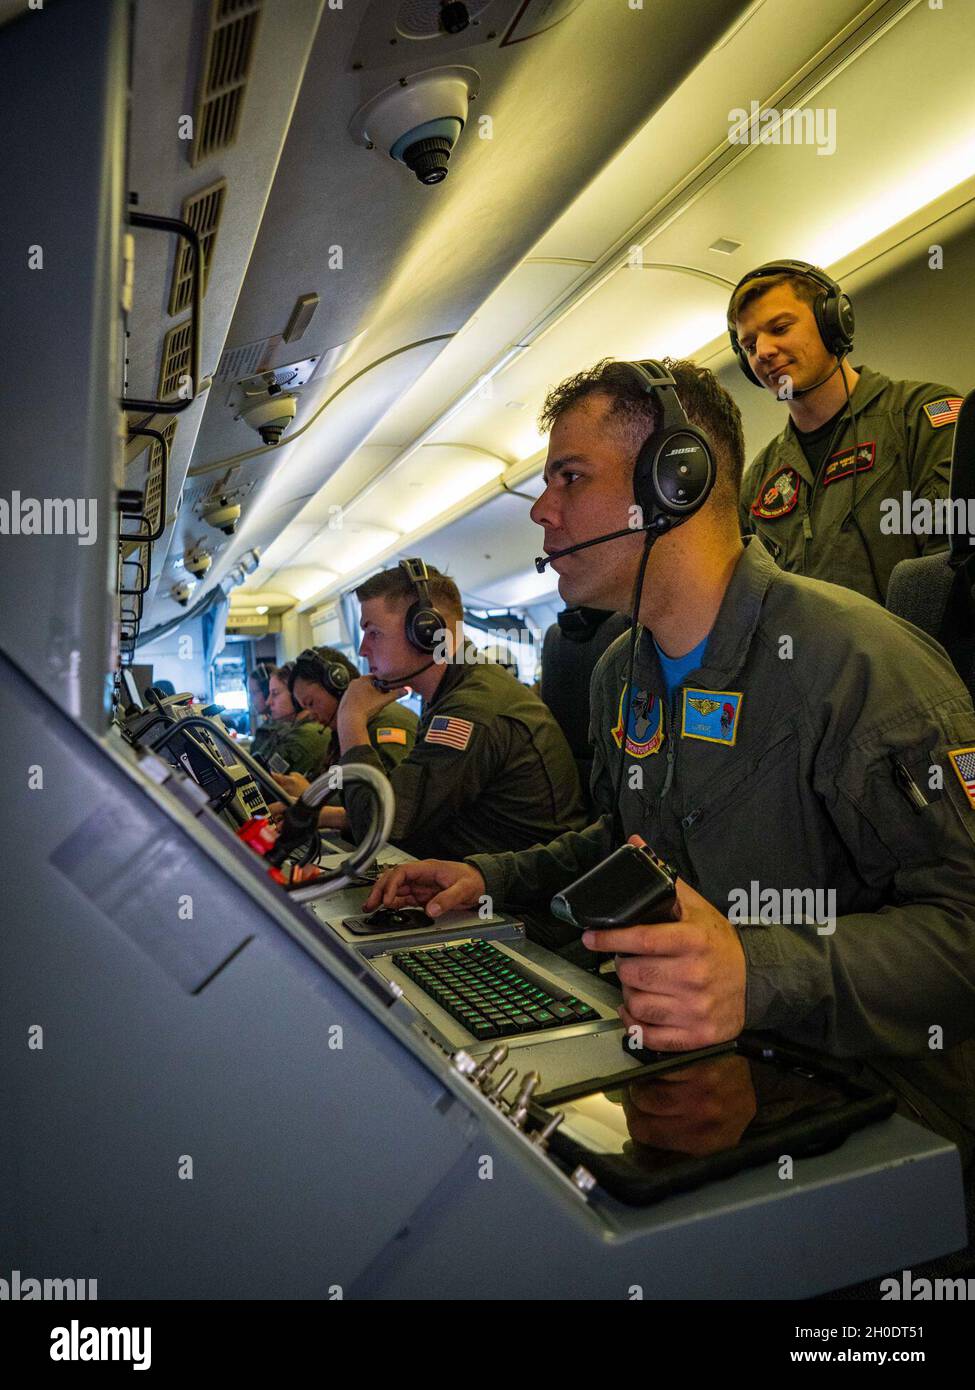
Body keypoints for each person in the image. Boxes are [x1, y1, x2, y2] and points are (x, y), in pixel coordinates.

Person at [366, 355, 975, 1168]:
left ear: (674, 481)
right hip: (705, 1076)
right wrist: (490, 877)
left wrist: (752, 974)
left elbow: (963, 927)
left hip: (885, 1112)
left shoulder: (854, 663)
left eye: (569, 478)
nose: (542, 511)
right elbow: (622, 841)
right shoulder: (626, 671)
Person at [729, 259, 962, 602]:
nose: (763, 352)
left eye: (779, 328)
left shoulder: (921, 417)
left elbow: (950, 570)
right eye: (749, 346)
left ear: (833, 323)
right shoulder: (761, 477)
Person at [326, 558, 587, 861]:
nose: (362, 649)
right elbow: (412, 809)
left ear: (427, 632)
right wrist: (328, 816)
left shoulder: (471, 708)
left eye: (373, 633)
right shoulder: (452, 691)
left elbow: (376, 828)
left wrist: (351, 720)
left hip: (518, 901)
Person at [250, 663, 331, 778]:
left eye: (275, 694)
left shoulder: (307, 734)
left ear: (295, 695)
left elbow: (269, 781)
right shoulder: (299, 727)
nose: (269, 702)